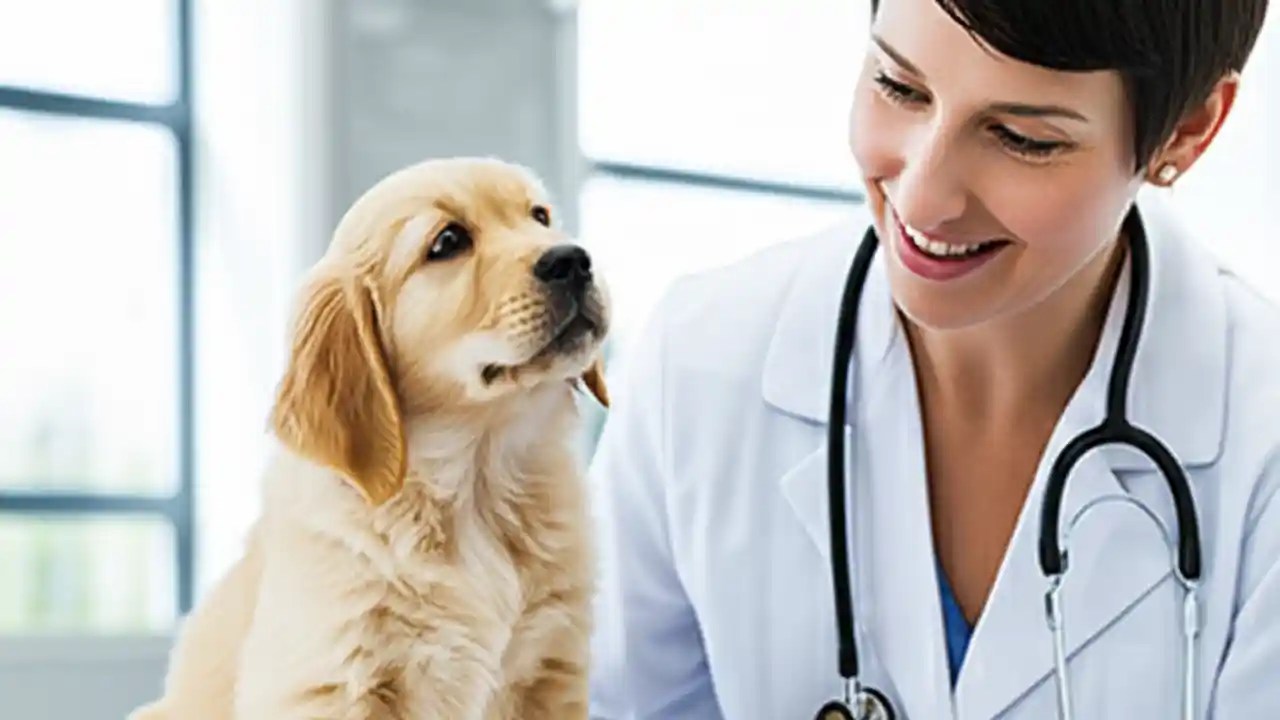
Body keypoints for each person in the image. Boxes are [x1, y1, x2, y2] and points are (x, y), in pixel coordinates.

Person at [585, 0, 1280, 717]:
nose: (922, 196)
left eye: (1022, 138)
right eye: (899, 87)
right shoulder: (700, 362)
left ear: (1188, 131)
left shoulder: (1263, 450)